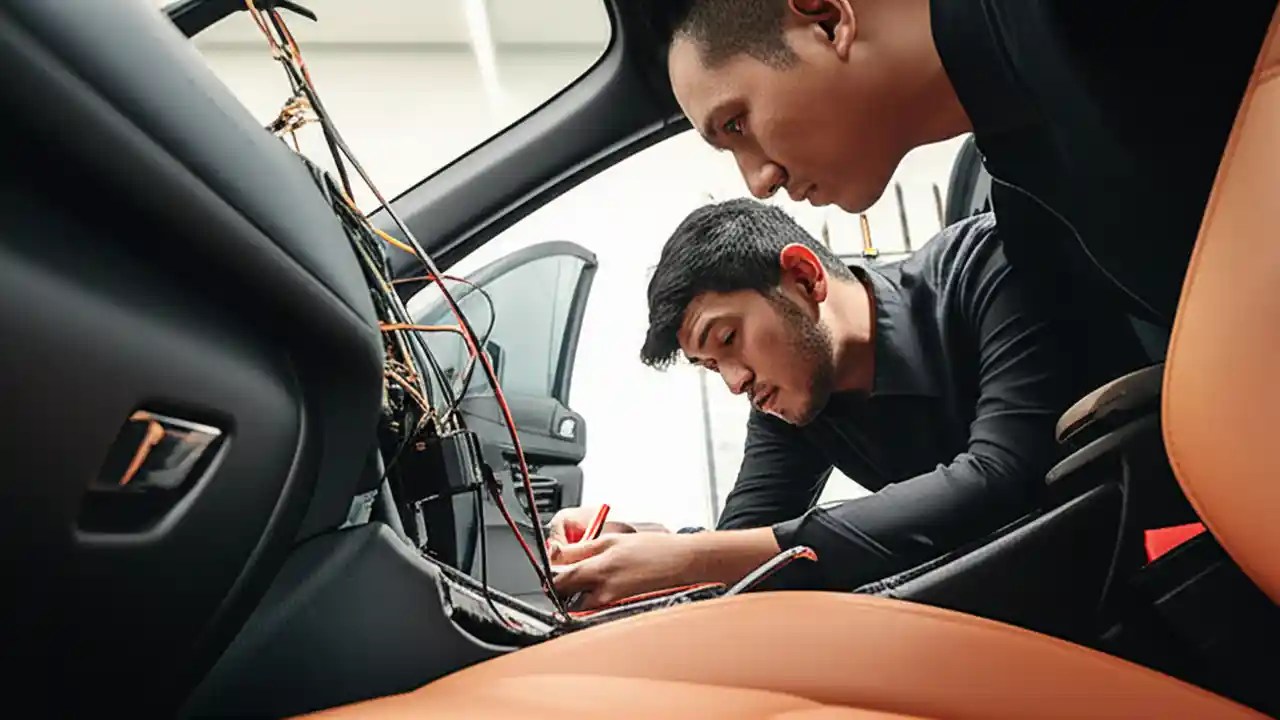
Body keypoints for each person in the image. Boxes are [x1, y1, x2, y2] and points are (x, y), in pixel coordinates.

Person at [643, 0, 1276, 379]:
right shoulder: (1025, 211)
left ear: (826, 18)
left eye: (737, 124)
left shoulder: (1086, 23)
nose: (759, 182)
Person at [550, 199, 1080, 609]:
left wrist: (689, 557)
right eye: (712, 367)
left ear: (804, 279)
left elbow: (1000, 478)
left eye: (729, 339)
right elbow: (746, 551)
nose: (735, 383)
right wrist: (645, 546)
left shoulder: (986, 265)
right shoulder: (790, 401)